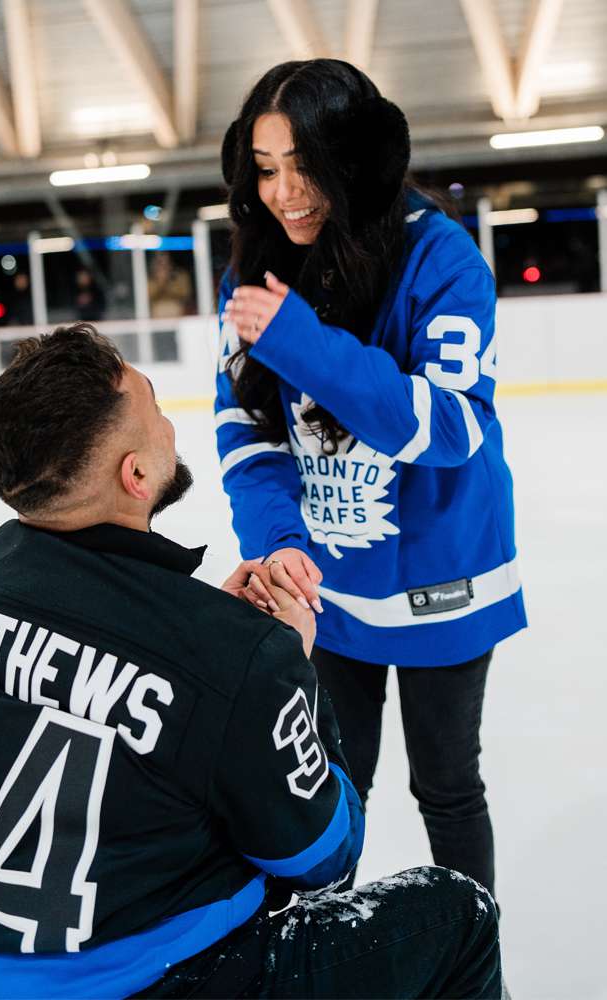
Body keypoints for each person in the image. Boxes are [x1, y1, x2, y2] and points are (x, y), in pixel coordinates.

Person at [0, 323, 501, 998]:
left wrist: (215, 650)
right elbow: (322, 859)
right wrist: (287, 673)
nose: (170, 425)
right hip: (154, 982)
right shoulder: (229, 653)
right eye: (157, 408)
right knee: (456, 910)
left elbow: (102, 661)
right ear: (135, 475)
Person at [214, 59, 524, 898]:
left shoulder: (442, 258)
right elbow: (246, 428)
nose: (286, 193)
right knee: (326, 792)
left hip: (444, 576)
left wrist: (302, 341)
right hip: (327, 584)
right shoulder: (254, 270)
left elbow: (454, 428)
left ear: (357, 159)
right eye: (268, 168)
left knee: (448, 789)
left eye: (308, 163)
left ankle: (468, 966)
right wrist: (278, 544)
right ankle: (319, 956)